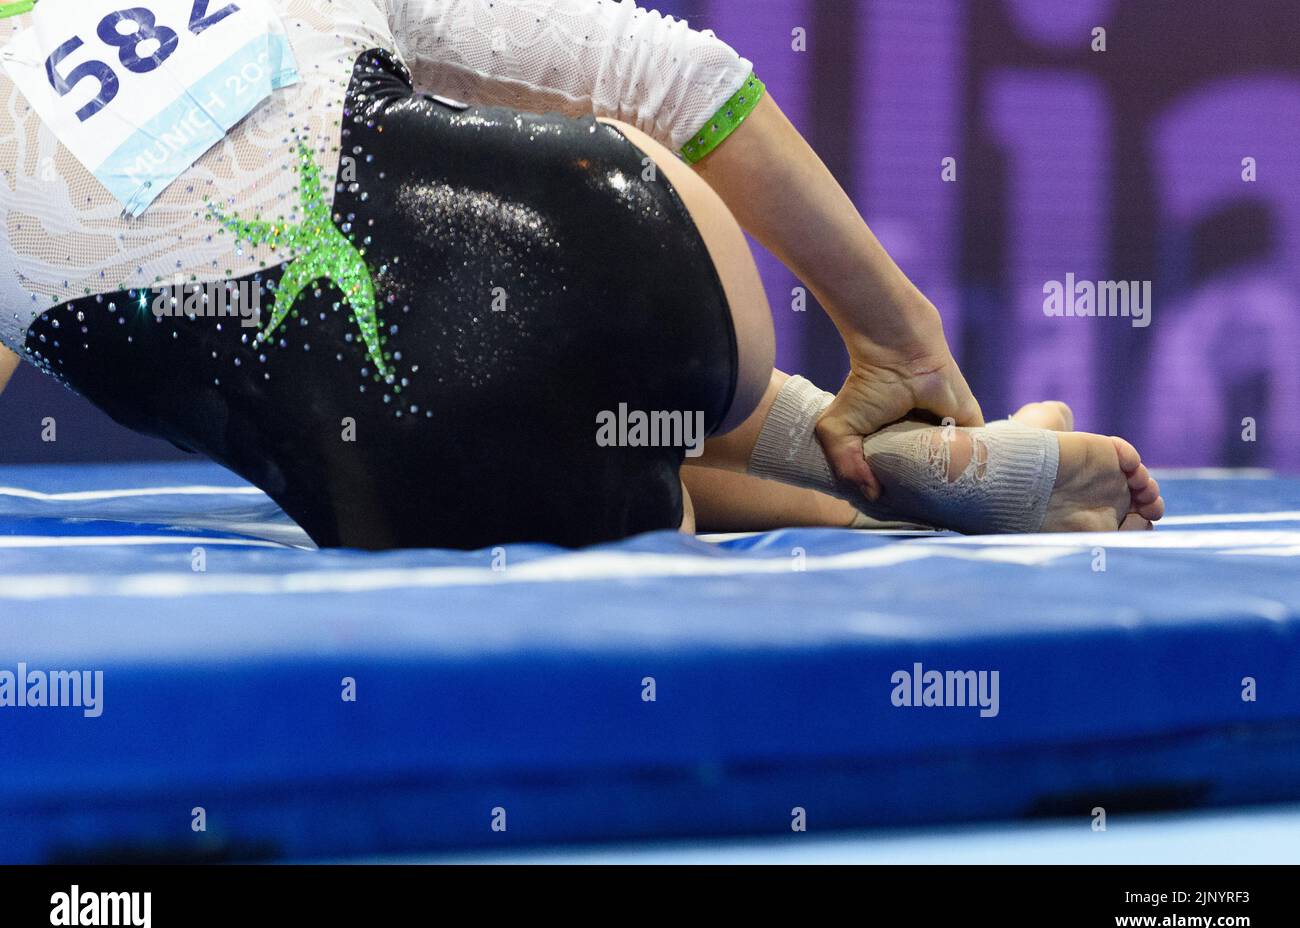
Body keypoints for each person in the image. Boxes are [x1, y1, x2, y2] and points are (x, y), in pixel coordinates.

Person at [0, 0, 1162, 548]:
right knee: (528, 259)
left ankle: (868, 483)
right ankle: (909, 448)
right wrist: (898, 336)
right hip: (632, 241)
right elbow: (691, 77)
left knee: (472, 437)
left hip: (407, 477)